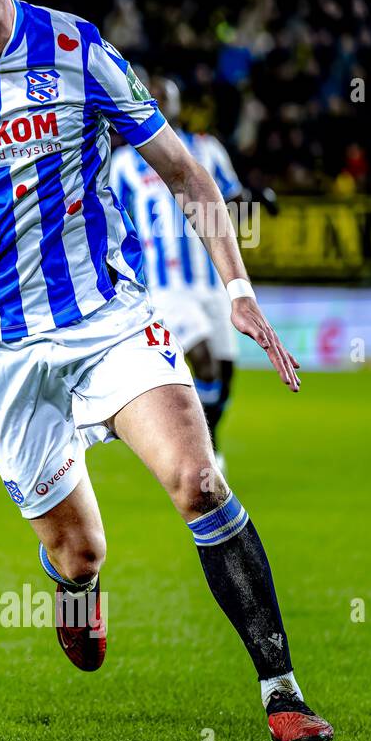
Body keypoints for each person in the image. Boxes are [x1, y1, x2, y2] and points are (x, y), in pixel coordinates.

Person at [0, 0, 333, 741]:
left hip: (106, 318)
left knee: (199, 481)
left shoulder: (74, 50)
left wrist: (236, 288)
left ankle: (282, 690)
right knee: (79, 556)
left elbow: (185, 172)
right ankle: (76, 583)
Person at [111, 75, 248, 470]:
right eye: (149, 95)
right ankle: (203, 455)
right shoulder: (123, 163)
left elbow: (231, 197)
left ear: (175, 104)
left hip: (213, 280)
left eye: (163, 96)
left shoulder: (206, 149)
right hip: (166, 284)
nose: (155, 101)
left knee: (223, 370)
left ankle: (212, 441)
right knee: (202, 358)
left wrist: (258, 199)